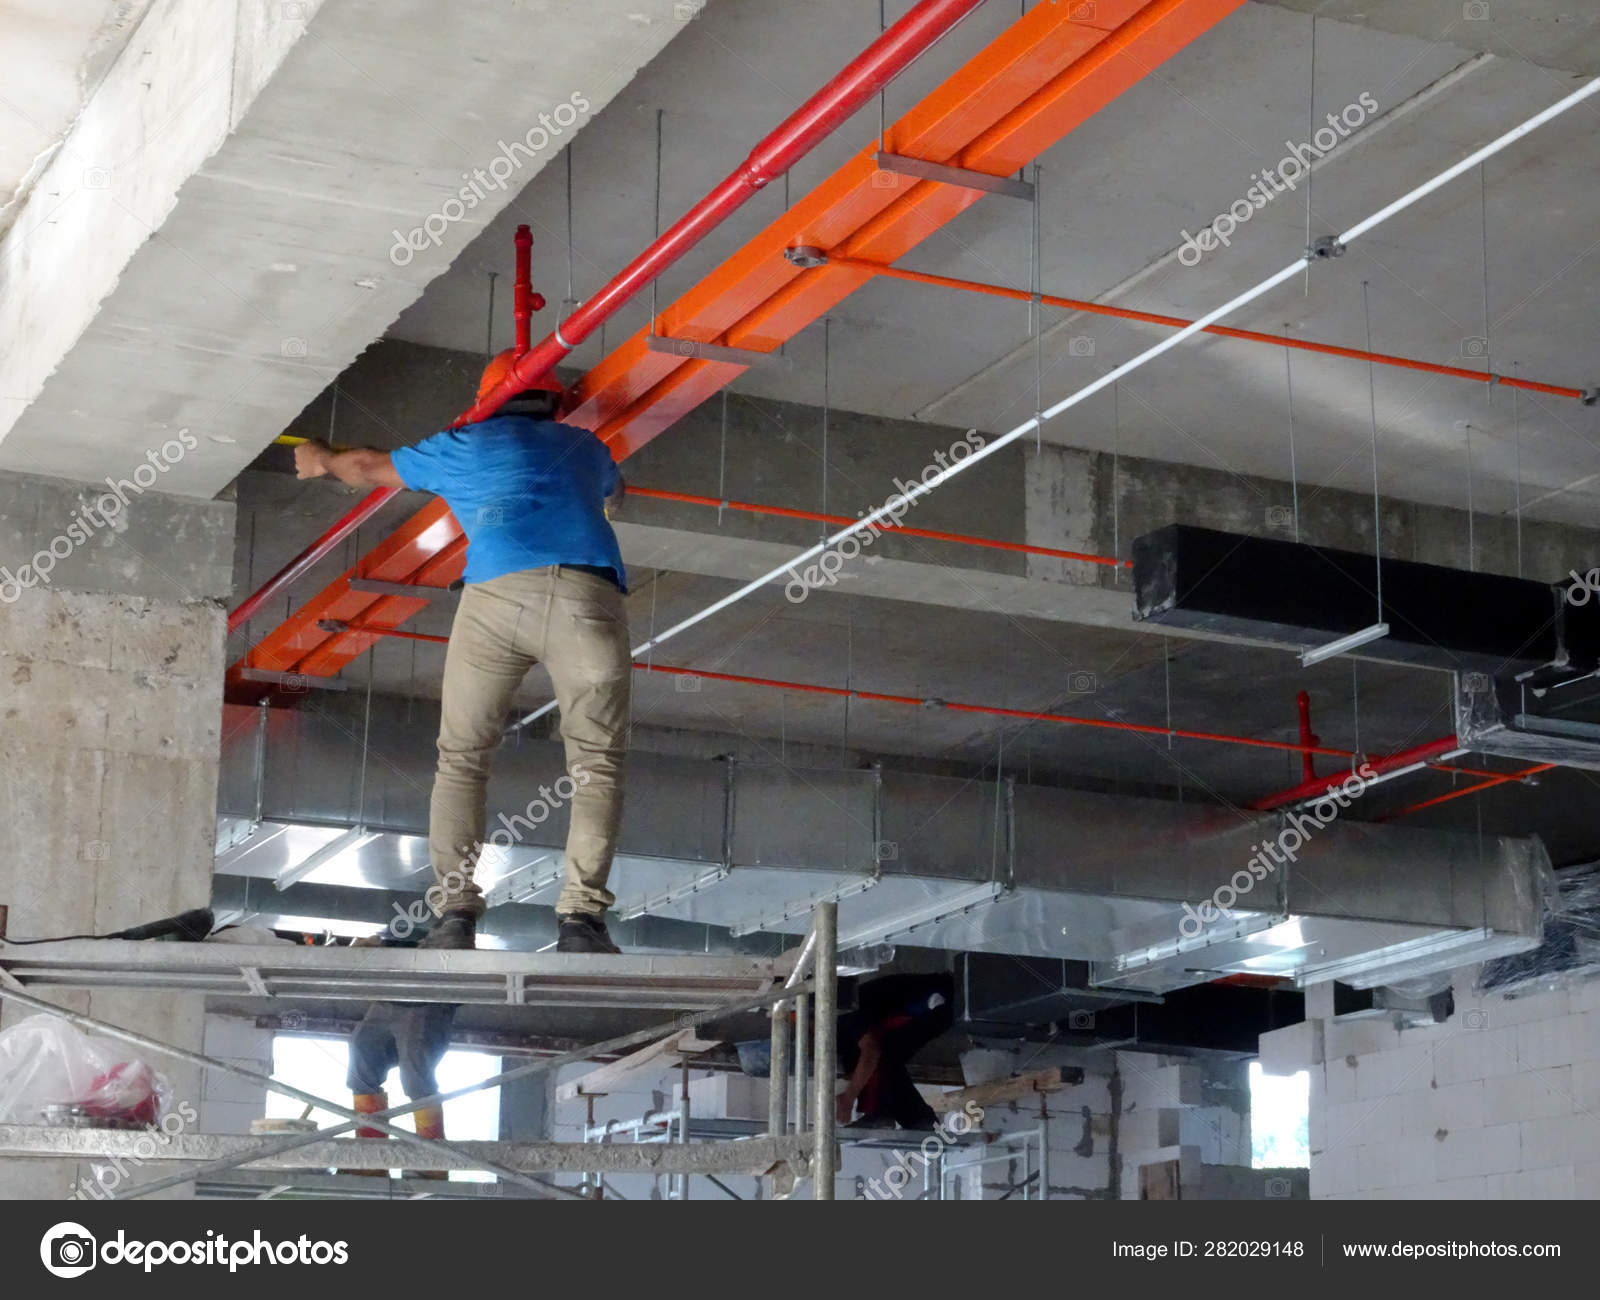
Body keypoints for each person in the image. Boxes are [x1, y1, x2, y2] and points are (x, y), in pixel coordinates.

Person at [294, 353, 632, 954]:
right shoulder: (585, 446)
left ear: (487, 401)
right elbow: (616, 494)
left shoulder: (460, 445)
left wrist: (318, 456)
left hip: (496, 601)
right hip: (587, 600)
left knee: (462, 758)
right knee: (595, 762)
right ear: (553, 401)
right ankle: (581, 920)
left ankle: (455, 914)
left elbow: (365, 467)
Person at [835, 973, 956, 1131]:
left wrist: (848, 1098)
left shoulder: (841, 1013)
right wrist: (849, 1086)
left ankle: (889, 1115)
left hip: (935, 1000)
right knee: (869, 1059)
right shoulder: (842, 1036)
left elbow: (871, 1053)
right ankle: (910, 1119)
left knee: (881, 1055)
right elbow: (862, 1067)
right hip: (923, 1009)